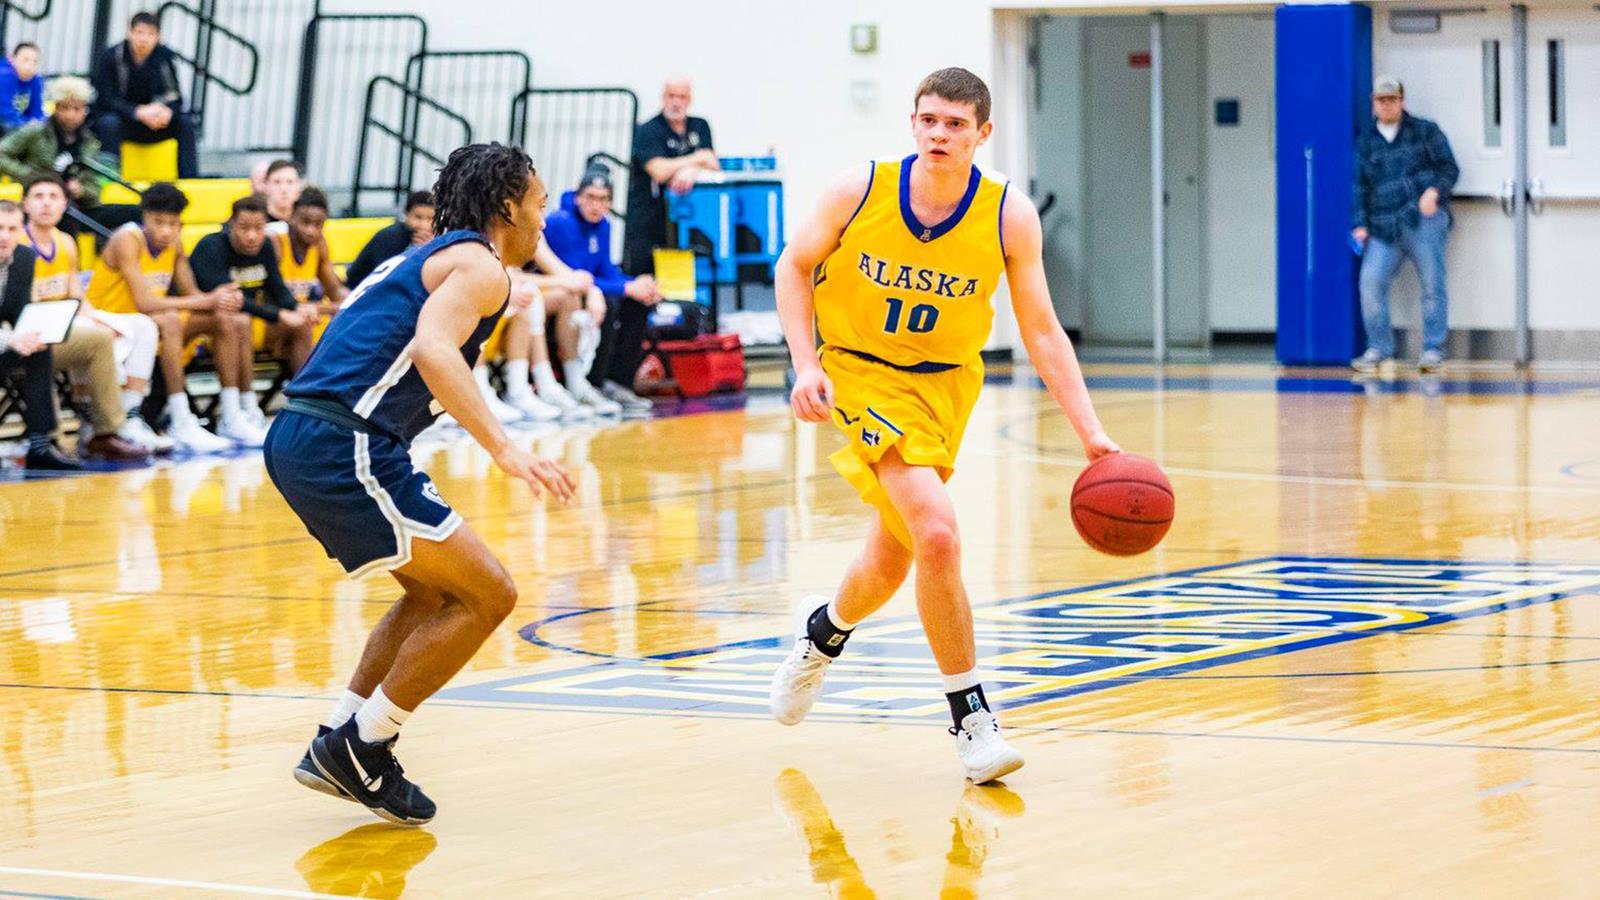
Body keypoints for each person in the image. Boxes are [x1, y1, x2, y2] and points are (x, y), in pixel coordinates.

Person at [768, 68, 1121, 784]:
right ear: (912, 122)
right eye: (928, 120)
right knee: (937, 531)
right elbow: (793, 267)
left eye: (956, 124)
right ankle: (972, 718)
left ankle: (822, 631)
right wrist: (805, 365)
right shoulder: (858, 190)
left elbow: (1042, 330)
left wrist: (1091, 433)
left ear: (982, 134)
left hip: (946, 386)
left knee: (894, 559)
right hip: (861, 373)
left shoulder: (1007, 216)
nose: (939, 134)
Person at [268, 143, 576, 826]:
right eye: (540, 203)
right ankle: (364, 747)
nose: (544, 218)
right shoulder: (481, 266)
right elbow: (432, 348)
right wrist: (503, 448)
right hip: (343, 443)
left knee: (434, 592)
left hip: (310, 434)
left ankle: (341, 735)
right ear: (508, 208)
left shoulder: (432, 256)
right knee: (490, 594)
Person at [86, 182, 242, 453]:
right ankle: (180, 418)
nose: (166, 230)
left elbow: (192, 294)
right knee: (170, 320)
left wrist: (224, 298)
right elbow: (144, 302)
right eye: (159, 222)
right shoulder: (127, 240)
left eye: (173, 224)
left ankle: (233, 414)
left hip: (149, 323)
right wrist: (207, 300)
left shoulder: (175, 244)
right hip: (110, 319)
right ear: (144, 217)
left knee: (226, 319)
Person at [23, 174, 171, 454]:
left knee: (143, 326)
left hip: (66, 322)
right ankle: (95, 421)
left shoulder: (66, 242)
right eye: (39, 196)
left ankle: (130, 414)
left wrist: (95, 317)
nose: (46, 203)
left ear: (65, 204)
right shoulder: (15, 242)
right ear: (25, 204)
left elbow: (78, 296)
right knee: (97, 336)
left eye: (53, 197)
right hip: (37, 329)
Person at [1351, 75, 1459, 375]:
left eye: (1392, 99)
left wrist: (1434, 192)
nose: (1387, 105)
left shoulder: (1426, 131)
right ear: (1373, 104)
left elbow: (1449, 169)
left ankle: (1433, 349)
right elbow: (1359, 187)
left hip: (1423, 221)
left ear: (1402, 102)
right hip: (1382, 226)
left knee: (1433, 284)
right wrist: (1360, 224)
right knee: (1370, 283)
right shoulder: (1366, 143)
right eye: (1381, 100)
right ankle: (1379, 348)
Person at [190, 195, 314, 441]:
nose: (252, 236)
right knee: (240, 320)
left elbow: (277, 287)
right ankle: (241, 410)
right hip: (207, 327)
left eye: (258, 228)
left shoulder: (265, 246)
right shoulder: (210, 247)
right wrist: (280, 314)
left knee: (300, 326)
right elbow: (232, 299)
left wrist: (296, 308)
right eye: (244, 228)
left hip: (248, 324)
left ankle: (306, 408)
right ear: (230, 225)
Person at [542, 165, 659, 414]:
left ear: (610, 203)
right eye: (590, 197)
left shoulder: (603, 224)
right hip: (562, 291)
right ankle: (592, 382)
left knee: (640, 301)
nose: (596, 205)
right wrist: (627, 287)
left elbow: (605, 271)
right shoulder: (561, 222)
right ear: (578, 197)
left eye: (603, 199)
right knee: (611, 301)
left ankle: (617, 383)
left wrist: (638, 284)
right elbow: (576, 275)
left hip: (587, 288)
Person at [0, 76, 142, 237]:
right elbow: (2, 153)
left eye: (76, 109)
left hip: (79, 206)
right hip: (42, 205)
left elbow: (94, 189)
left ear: (85, 110)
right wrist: (31, 177)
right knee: (66, 215)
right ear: (56, 107)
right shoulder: (35, 132)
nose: (70, 115)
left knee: (137, 212)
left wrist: (80, 191)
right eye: (65, 108)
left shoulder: (90, 142)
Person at [0, 201, 82, 470]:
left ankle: (40, 445)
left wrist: (35, 332)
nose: (5, 236)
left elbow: (20, 313)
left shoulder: (24, 258)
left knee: (39, 349)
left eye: (12, 229)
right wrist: (11, 339)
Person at [623, 77, 719, 276]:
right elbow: (659, 171)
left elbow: (712, 163)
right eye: (671, 96)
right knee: (651, 280)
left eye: (682, 97)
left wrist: (691, 171)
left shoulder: (700, 126)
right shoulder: (648, 130)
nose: (676, 102)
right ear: (663, 97)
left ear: (689, 99)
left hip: (688, 218)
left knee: (689, 277)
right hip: (651, 221)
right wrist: (696, 159)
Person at [91, 12, 199, 179]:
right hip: (124, 121)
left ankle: (189, 179)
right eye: (140, 32)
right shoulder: (111, 56)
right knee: (108, 123)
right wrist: (138, 112)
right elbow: (106, 99)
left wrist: (166, 112)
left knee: (185, 122)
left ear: (158, 37)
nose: (144, 39)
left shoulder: (165, 57)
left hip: (155, 123)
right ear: (130, 33)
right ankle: (110, 177)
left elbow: (175, 97)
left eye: (150, 34)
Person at [274, 187, 347, 322]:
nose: (311, 231)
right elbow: (272, 300)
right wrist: (312, 309)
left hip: (303, 319)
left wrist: (353, 301)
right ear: (291, 217)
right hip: (274, 320)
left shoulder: (319, 245)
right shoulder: (276, 241)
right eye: (305, 222)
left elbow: (335, 291)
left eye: (318, 224)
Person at [345, 190, 435, 288]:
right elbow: (387, 279)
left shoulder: (433, 238)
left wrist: (429, 249)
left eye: (430, 218)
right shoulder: (391, 237)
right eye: (418, 217)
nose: (424, 225)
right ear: (406, 215)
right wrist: (422, 251)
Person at [0, 42, 44, 134]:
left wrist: (37, 124)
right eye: (25, 60)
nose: (29, 67)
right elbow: (5, 113)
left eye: (35, 62)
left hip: (19, 124)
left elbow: (37, 112)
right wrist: (28, 125)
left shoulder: (35, 79)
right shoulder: (4, 76)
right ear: (12, 59)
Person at [262, 159, 304, 224]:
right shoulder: (257, 220)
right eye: (277, 182)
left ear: (299, 185)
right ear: (266, 185)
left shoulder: (306, 221)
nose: (284, 189)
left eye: (290, 182)